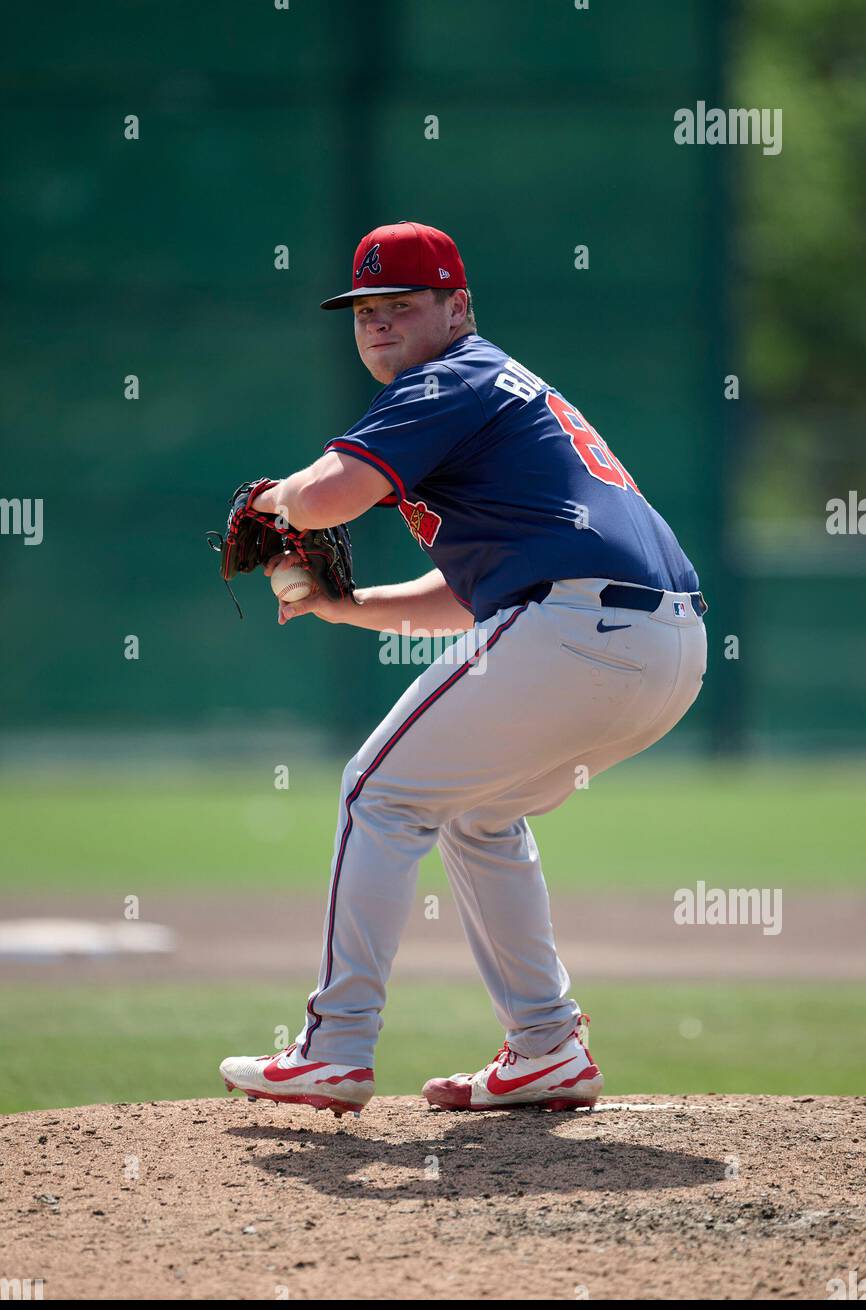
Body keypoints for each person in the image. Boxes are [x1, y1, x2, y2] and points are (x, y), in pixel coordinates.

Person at [219, 220, 707, 1116]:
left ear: (458, 306)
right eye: (365, 308)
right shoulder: (487, 391)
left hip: (579, 629)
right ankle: (547, 1047)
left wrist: (272, 499)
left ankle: (335, 1048)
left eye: (403, 304)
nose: (379, 323)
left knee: (379, 791)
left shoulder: (451, 375)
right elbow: (476, 593)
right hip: (656, 645)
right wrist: (345, 605)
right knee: (481, 814)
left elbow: (328, 497)